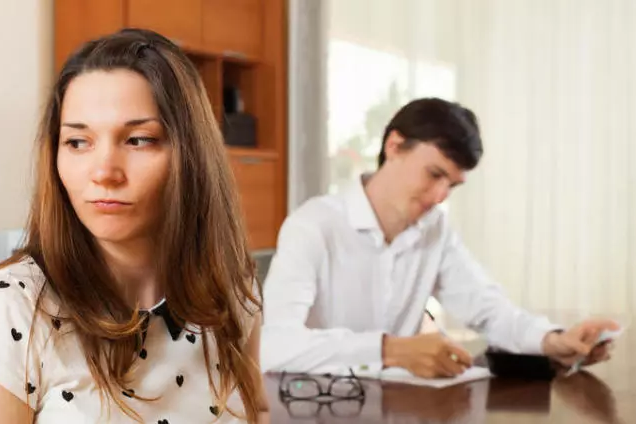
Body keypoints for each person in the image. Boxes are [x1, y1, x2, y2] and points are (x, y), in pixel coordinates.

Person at [0, 28, 268, 423]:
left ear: (191, 156)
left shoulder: (231, 288)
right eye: (78, 142)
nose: (104, 172)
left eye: (138, 140)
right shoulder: (8, 308)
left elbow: (257, 412)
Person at [261, 97, 618, 378]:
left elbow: (491, 311)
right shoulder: (314, 225)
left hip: (396, 408)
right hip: (315, 408)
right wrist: (391, 350)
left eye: (452, 185)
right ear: (394, 146)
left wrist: (555, 341)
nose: (440, 196)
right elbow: (275, 345)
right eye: (434, 174)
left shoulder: (435, 230)